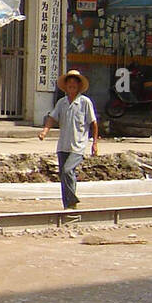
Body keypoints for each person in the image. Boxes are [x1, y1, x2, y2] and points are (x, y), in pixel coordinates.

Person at [38, 69, 99, 210]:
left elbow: (93, 123)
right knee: (65, 174)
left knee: (67, 170)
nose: (71, 86)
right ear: (65, 87)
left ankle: (72, 200)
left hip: (78, 146)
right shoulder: (62, 103)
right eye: (69, 84)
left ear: (78, 87)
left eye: (74, 84)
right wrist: (44, 132)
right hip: (63, 145)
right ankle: (68, 205)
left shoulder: (85, 102)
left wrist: (94, 143)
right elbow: (52, 118)